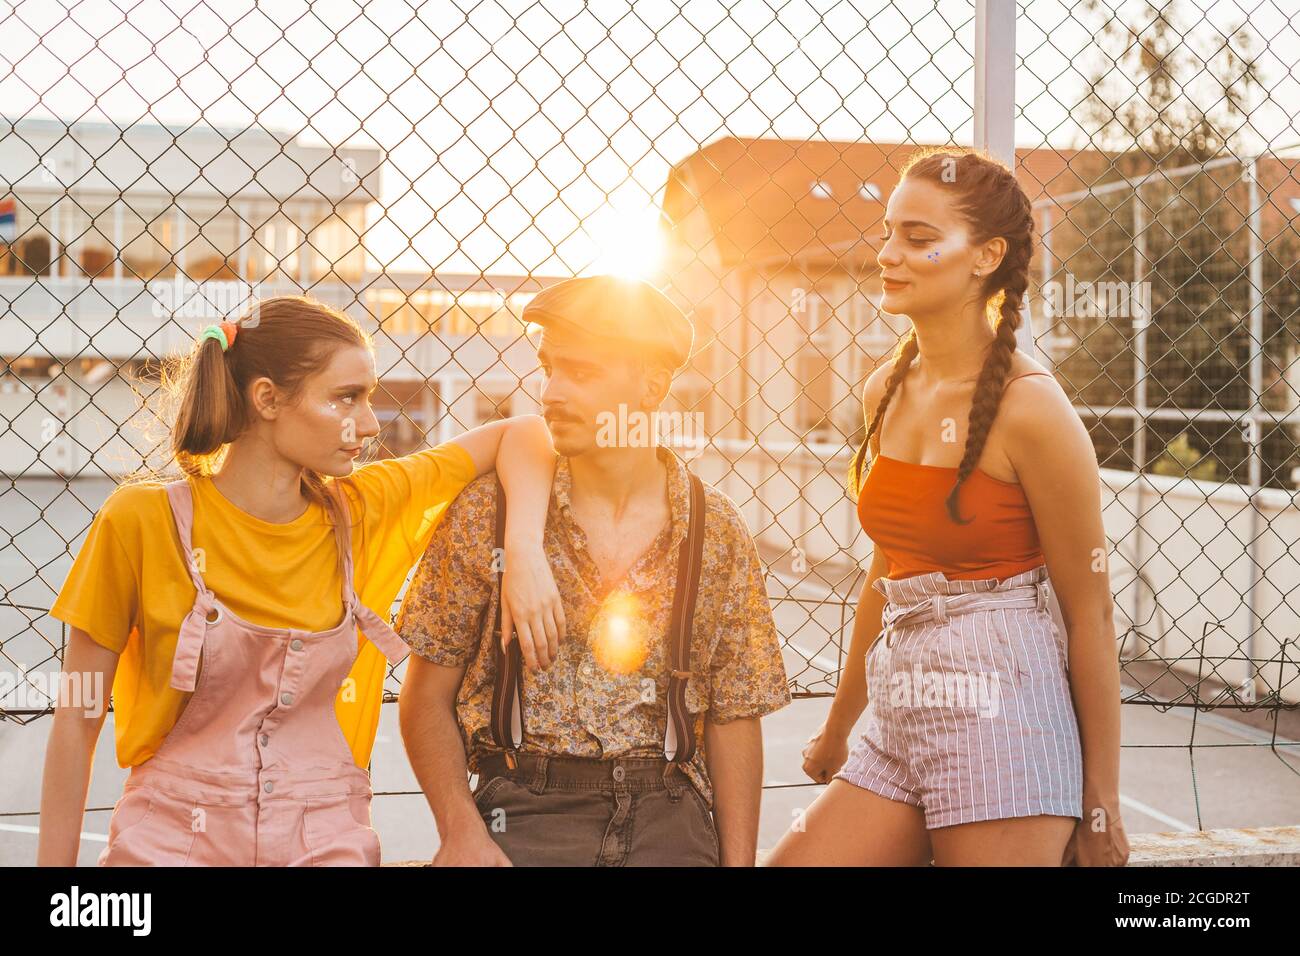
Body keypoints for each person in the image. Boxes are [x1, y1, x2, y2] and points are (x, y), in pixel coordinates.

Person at [38, 294, 563, 866]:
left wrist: (525, 553)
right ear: (267, 398)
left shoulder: (362, 509)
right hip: (169, 837)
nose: (368, 422)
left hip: (323, 835)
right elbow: (76, 718)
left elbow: (526, 433)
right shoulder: (141, 521)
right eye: (346, 398)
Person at [767, 148, 1129, 867]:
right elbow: (888, 570)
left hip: (1006, 711)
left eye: (920, 239)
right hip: (900, 706)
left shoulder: (1032, 410)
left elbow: (1090, 613)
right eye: (888, 234)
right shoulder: (885, 389)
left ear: (986, 256)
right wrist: (842, 724)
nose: (890, 255)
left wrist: (1101, 801)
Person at [396, 275, 791, 867]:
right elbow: (425, 698)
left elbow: (735, 718)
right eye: (548, 367)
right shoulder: (490, 512)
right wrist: (461, 831)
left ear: (652, 386)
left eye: (579, 373)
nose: (551, 392)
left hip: (670, 809)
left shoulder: (717, 531)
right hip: (523, 804)